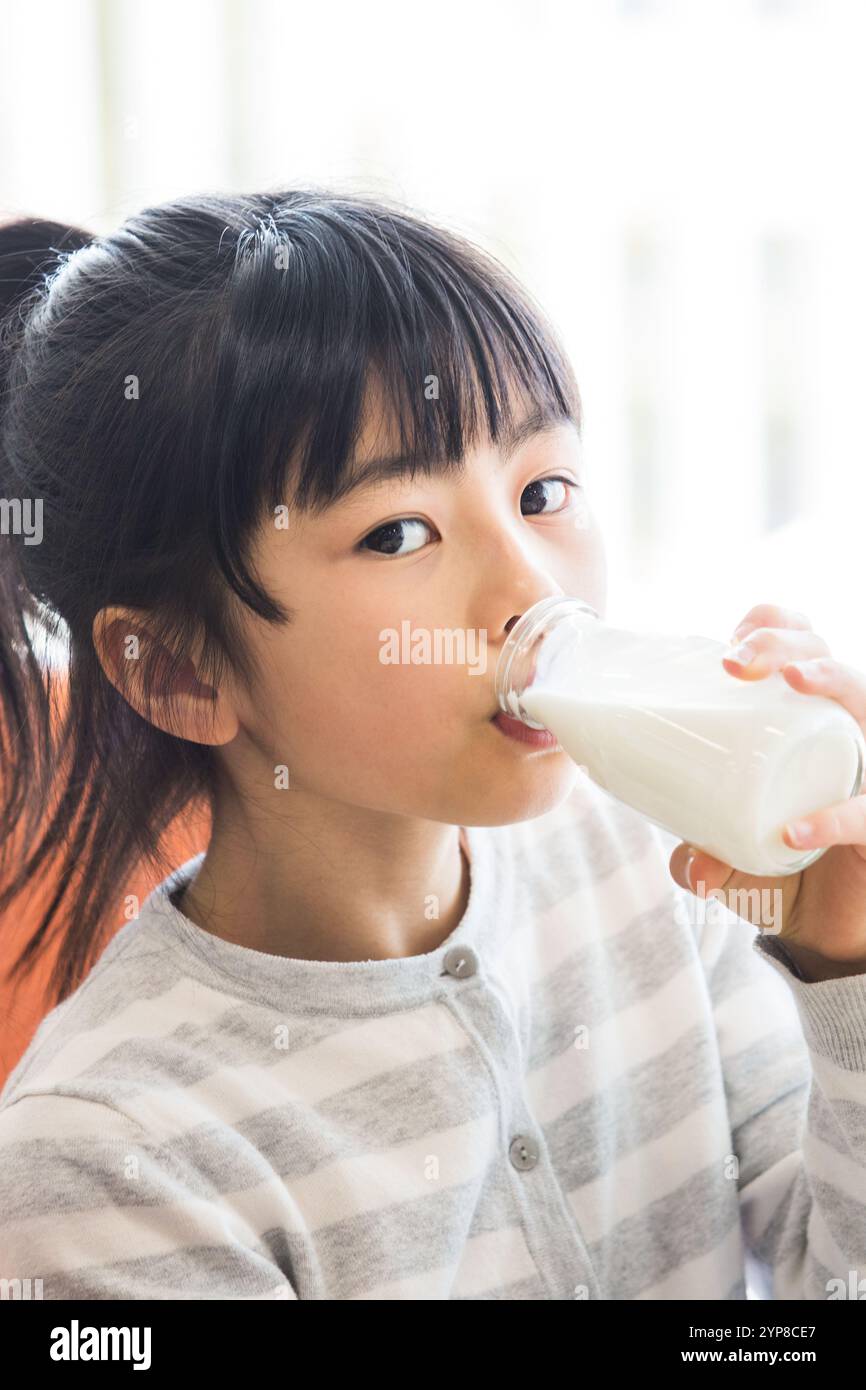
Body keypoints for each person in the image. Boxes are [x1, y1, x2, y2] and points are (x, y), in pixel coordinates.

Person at [0, 190, 864, 1300]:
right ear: (179, 670)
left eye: (542, 490)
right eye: (398, 531)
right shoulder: (109, 1162)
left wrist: (843, 970)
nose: (529, 585)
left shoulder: (649, 860)